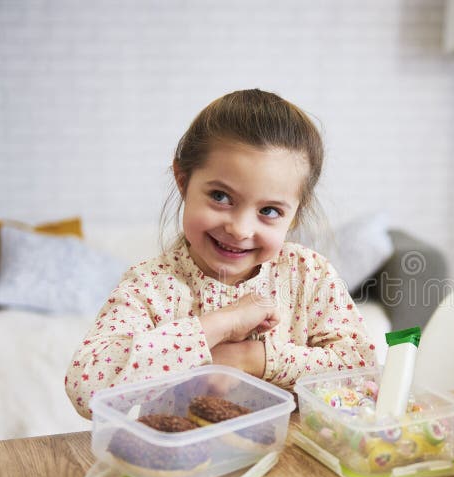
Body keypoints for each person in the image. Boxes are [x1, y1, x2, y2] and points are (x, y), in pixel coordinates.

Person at [65, 89, 376, 418]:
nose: (240, 229)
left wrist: (254, 359)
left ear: (295, 215)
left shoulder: (308, 274)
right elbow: (86, 391)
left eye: (269, 210)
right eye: (220, 196)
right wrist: (217, 326)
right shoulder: (150, 287)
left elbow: (362, 373)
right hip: (187, 464)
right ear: (183, 181)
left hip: (292, 460)